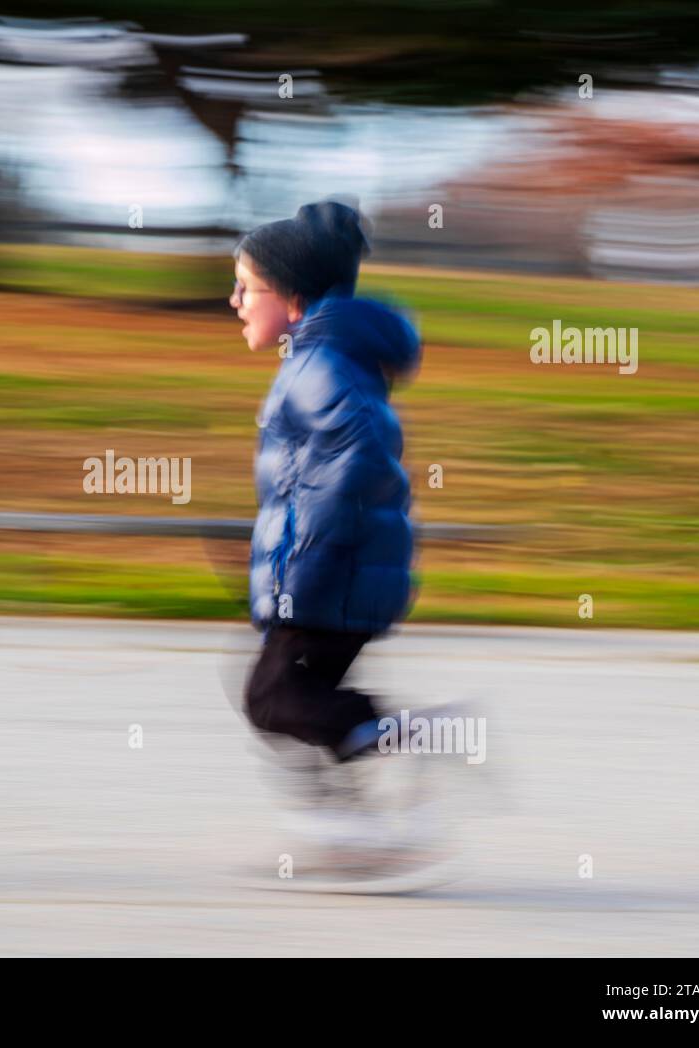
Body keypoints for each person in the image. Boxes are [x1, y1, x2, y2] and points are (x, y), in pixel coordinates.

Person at [231, 199, 421, 812]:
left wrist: (301, 561)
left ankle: (414, 745)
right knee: (298, 701)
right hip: (334, 575)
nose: (235, 302)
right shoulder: (321, 358)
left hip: (326, 579)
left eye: (245, 288)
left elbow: (358, 460)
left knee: (274, 700)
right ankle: (351, 820)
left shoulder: (318, 365)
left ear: (290, 300)